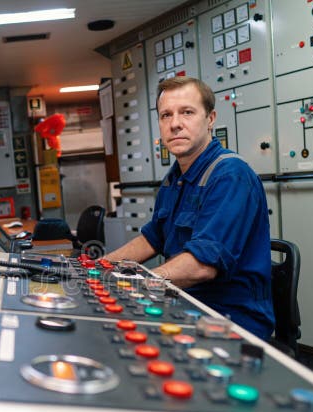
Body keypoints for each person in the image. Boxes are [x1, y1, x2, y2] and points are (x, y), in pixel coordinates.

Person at [104, 76, 274, 339]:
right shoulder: (175, 178)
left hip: (229, 318)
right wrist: (98, 267)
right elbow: (152, 239)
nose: (175, 124)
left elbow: (201, 265)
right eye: (166, 115)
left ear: (210, 118)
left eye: (187, 112)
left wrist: (136, 282)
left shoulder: (230, 175)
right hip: (184, 302)